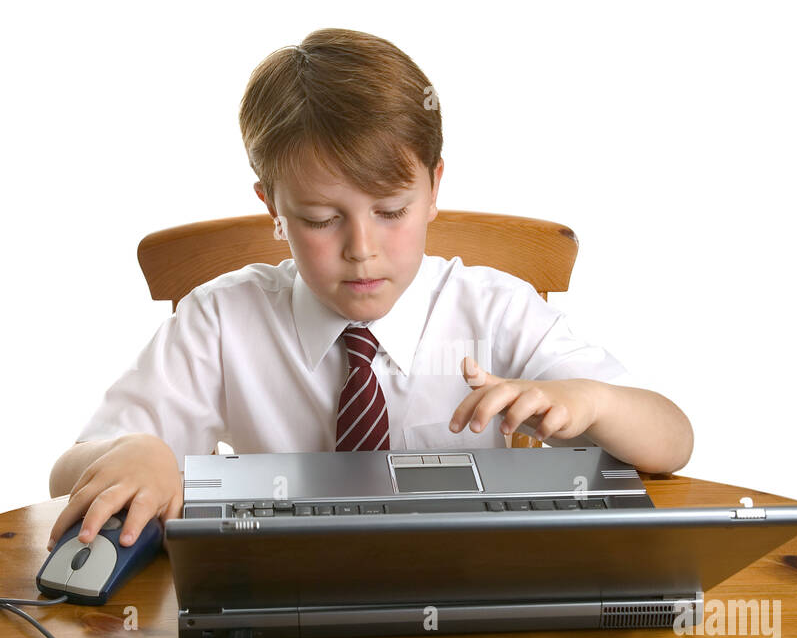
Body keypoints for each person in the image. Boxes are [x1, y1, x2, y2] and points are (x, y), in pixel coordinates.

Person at [47, 28, 693, 552]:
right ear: (271, 206)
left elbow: (673, 440)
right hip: (280, 607)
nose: (362, 248)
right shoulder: (222, 320)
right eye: (321, 220)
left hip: (470, 599)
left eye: (390, 211)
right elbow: (65, 472)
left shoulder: (491, 309)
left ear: (434, 189)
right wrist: (139, 451)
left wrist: (593, 402)